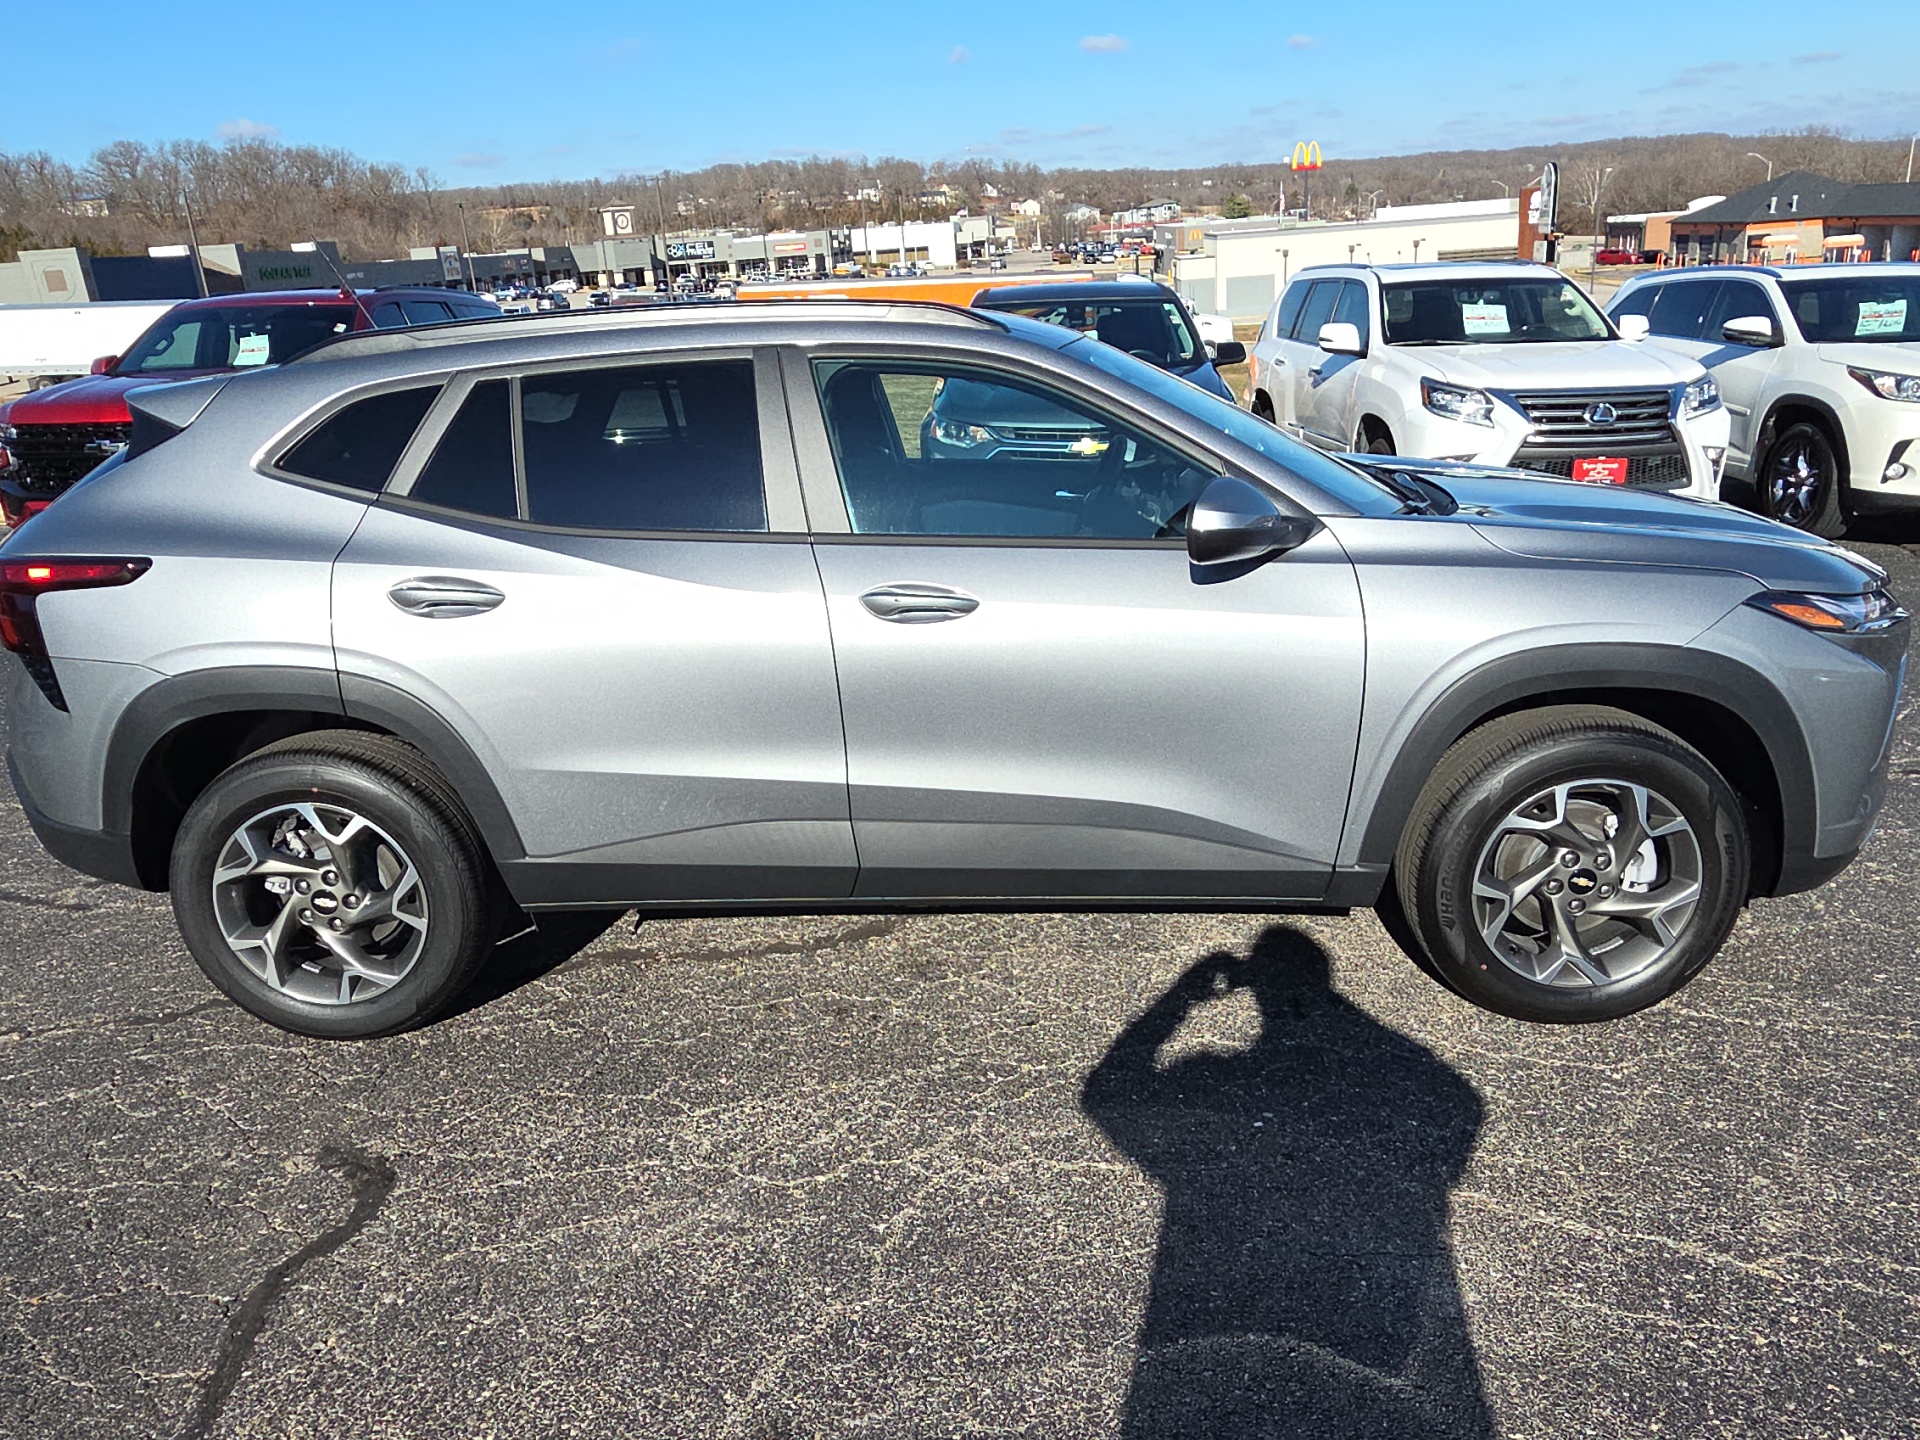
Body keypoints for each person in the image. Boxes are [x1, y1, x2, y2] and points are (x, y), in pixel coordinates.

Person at [1082, 926, 1495, 1440]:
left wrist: (1183, 997)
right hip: (1373, 1329)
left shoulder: (1212, 1079)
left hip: (1215, 1317)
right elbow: (1460, 1106)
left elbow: (1106, 1092)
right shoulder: (1420, 1084)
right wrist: (1329, 1006)